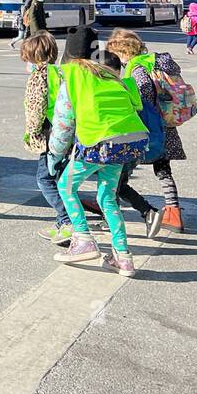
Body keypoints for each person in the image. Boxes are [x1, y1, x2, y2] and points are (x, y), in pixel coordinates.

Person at [48, 56, 150, 277]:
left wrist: (54, 155)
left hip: (97, 142)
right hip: (127, 143)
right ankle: (123, 258)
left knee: (66, 186)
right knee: (108, 197)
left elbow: (63, 123)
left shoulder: (74, 80)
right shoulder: (114, 80)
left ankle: (83, 238)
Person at [105, 28, 186, 233]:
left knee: (120, 173)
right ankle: (173, 212)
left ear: (123, 51)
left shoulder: (137, 68)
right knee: (163, 169)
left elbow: (144, 95)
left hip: (148, 127)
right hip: (164, 123)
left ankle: (113, 212)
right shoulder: (153, 61)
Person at [21, 31, 72, 245]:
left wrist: (32, 133)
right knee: (60, 177)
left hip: (50, 131)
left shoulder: (39, 75)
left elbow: (36, 107)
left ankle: (67, 221)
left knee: (45, 179)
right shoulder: (61, 71)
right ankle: (64, 223)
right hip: (68, 129)